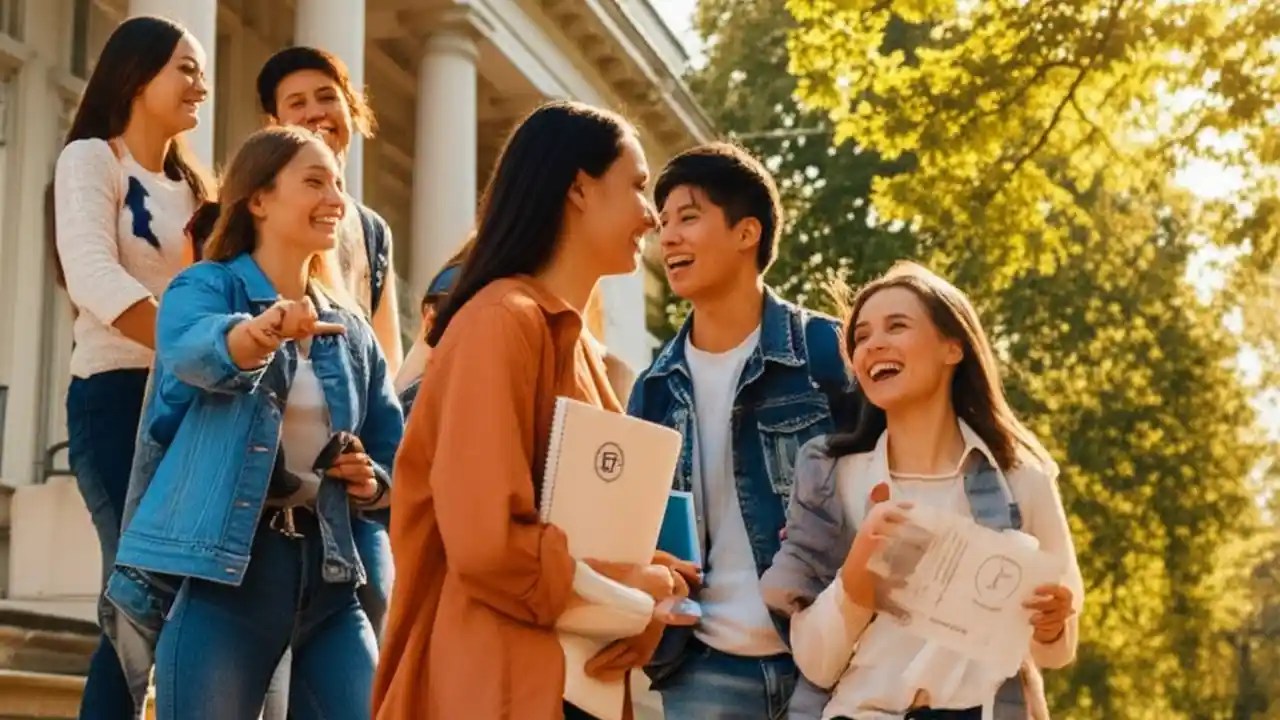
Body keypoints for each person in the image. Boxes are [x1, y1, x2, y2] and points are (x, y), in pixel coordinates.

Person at [373, 100, 695, 720]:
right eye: (636, 186)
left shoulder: (574, 348)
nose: (651, 215)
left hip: (564, 683)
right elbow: (488, 542)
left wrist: (651, 588)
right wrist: (628, 592)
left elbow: (588, 536)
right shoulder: (500, 321)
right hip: (494, 685)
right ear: (579, 188)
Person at [105, 126, 403, 719]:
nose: (336, 200)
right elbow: (190, 351)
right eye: (314, 182)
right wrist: (261, 332)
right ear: (259, 199)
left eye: (338, 185)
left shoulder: (350, 328)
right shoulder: (205, 287)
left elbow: (392, 447)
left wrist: (371, 479)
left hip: (330, 573)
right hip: (226, 577)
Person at [760, 262, 1083, 719]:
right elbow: (815, 663)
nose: (874, 345)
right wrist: (855, 580)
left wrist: (1052, 626)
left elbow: (1057, 651)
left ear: (953, 346)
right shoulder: (835, 478)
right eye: (861, 337)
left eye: (897, 326)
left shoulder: (1021, 480)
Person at [627, 142, 854, 718]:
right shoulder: (653, 389)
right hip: (703, 671)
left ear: (747, 232)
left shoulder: (828, 354)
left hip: (836, 662)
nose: (667, 237)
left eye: (688, 217)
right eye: (663, 223)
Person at [49, 15, 212, 719]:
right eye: (186, 68)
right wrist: (199, 349)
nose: (201, 84)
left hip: (195, 406)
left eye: (203, 71)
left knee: (191, 600)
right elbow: (92, 274)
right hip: (115, 398)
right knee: (137, 593)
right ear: (136, 74)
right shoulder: (92, 160)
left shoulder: (199, 192)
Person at [255, 45, 402, 372]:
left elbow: (387, 354)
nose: (315, 113)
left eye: (327, 97)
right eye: (297, 103)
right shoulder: (255, 209)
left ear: (351, 108)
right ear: (274, 124)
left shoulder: (373, 231)